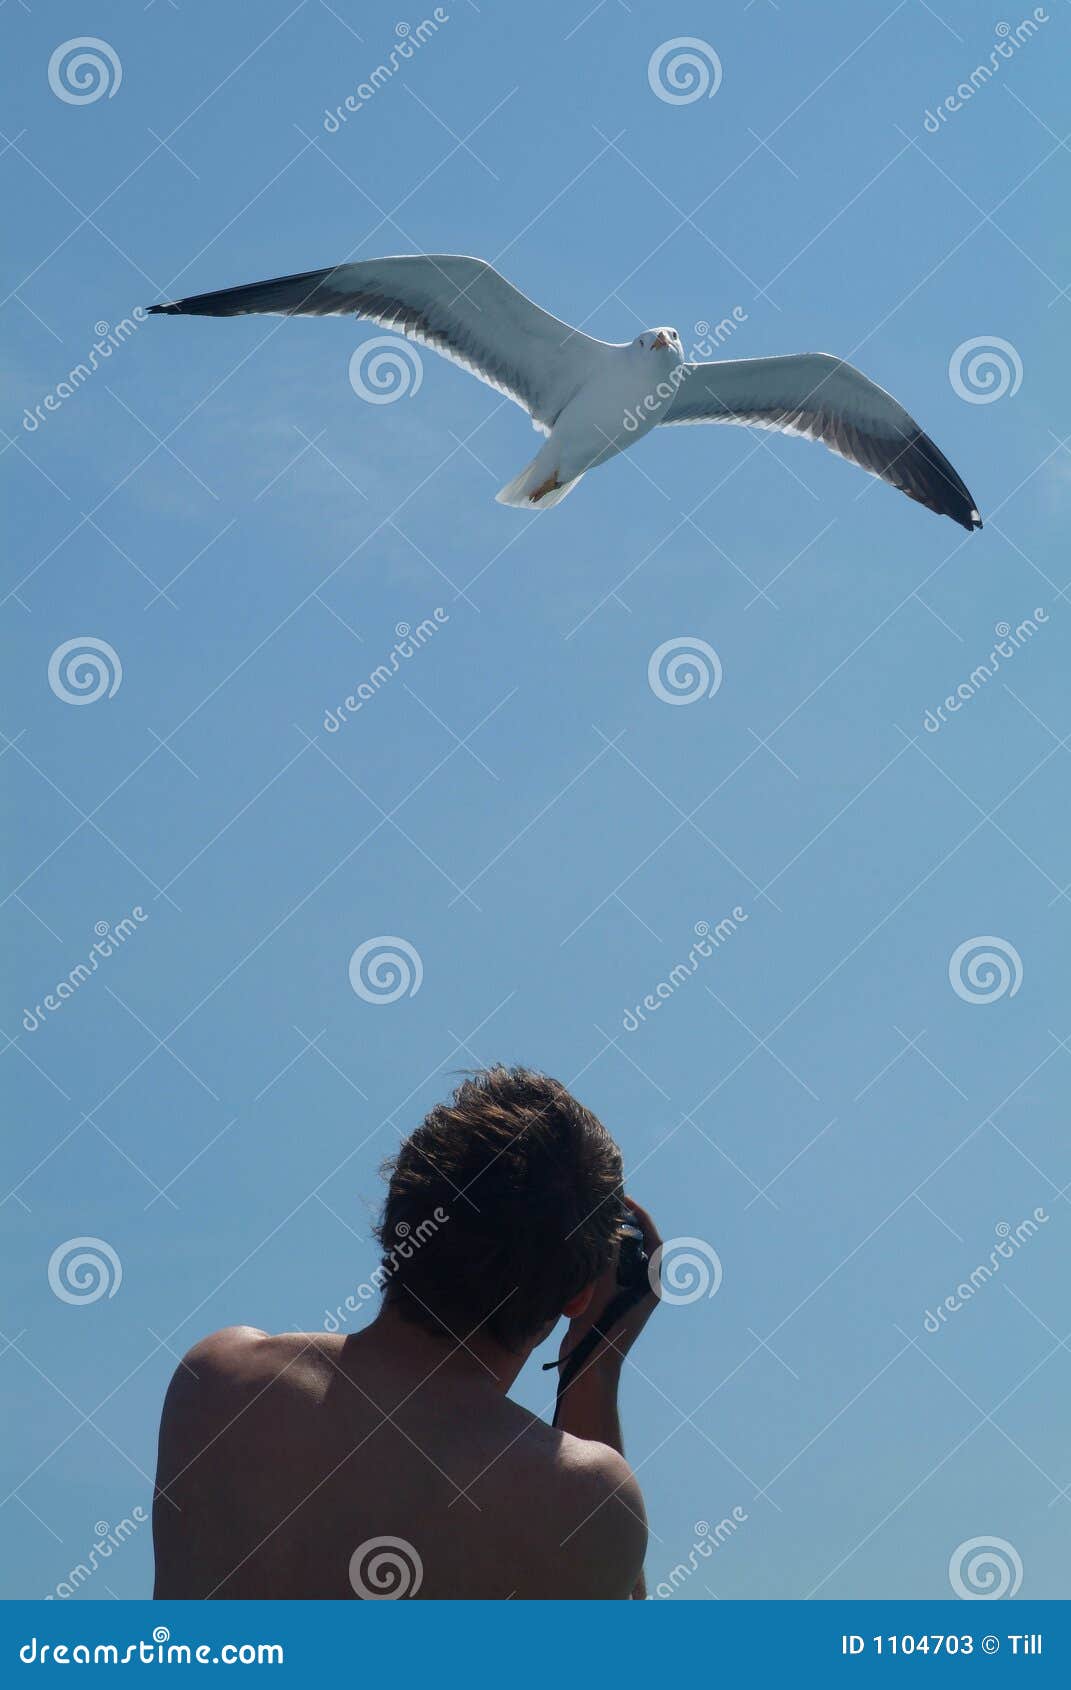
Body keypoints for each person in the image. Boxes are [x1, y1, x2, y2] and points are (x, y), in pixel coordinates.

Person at [152, 1066, 660, 1599]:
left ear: (399, 1205)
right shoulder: (581, 1500)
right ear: (577, 1296)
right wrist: (593, 1364)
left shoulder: (219, 1381)